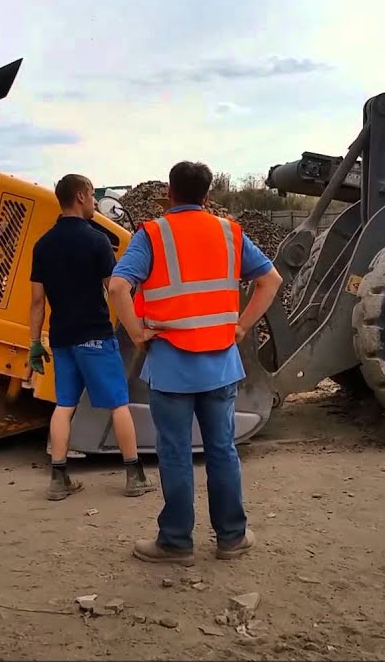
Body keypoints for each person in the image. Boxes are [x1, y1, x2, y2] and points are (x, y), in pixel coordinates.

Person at [107, 161, 283, 565]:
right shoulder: (229, 232)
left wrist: (136, 333)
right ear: (207, 196)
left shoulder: (152, 234)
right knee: (222, 450)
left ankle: (175, 542)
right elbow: (270, 280)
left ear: (169, 193)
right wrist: (241, 326)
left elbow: (118, 286)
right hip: (220, 363)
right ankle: (231, 538)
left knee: (175, 453)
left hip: (170, 366)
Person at [29, 173, 155, 501]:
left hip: (61, 338)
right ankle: (134, 475)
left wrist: (33, 342)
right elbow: (114, 289)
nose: (96, 203)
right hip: (95, 336)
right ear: (82, 195)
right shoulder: (97, 241)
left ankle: (58, 479)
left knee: (64, 406)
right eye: (92, 195)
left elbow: (37, 301)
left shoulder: (43, 245)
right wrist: (136, 327)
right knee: (118, 405)